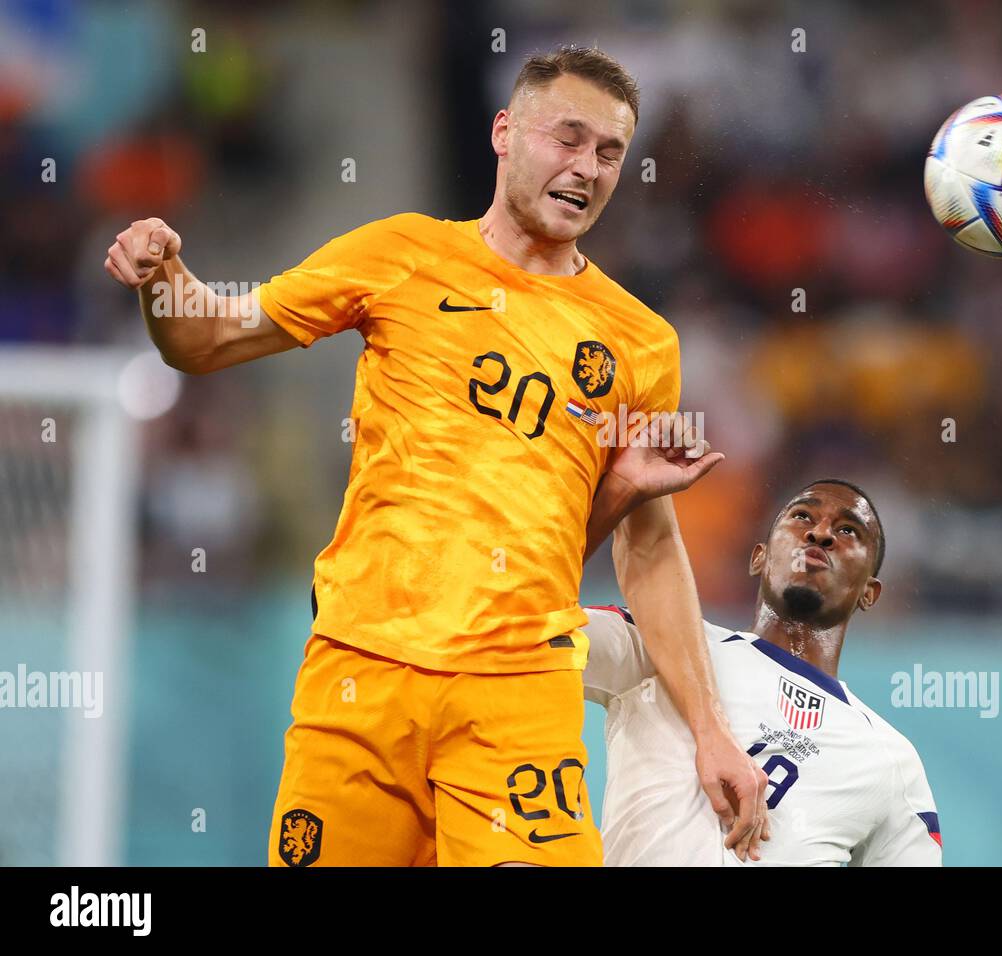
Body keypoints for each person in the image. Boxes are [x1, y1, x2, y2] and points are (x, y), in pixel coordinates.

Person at [104, 45, 764, 866]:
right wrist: (162, 276)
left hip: (519, 688)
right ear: (504, 133)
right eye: (567, 138)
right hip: (362, 671)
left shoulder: (640, 342)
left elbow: (649, 547)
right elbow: (203, 338)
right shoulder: (400, 254)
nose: (586, 168)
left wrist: (712, 734)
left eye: (609, 153)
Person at [583, 479, 942, 865]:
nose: (820, 533)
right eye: (803, 515)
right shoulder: (664, 640)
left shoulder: (891, 760)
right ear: (759, 558)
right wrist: (616, 498)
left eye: (847, 530)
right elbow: (525, 628)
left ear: (869, 593)